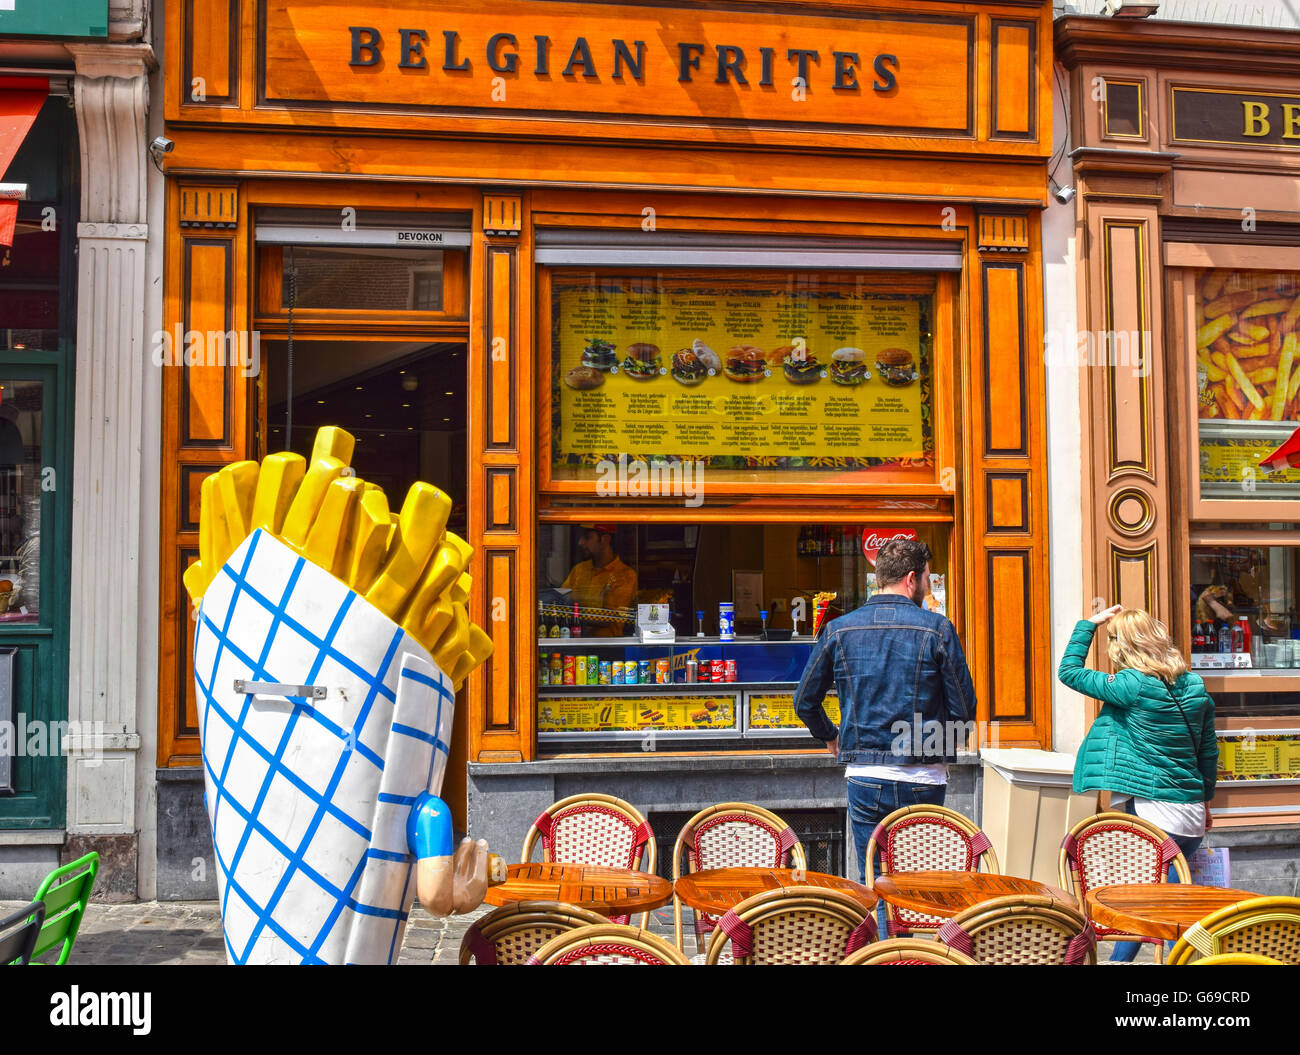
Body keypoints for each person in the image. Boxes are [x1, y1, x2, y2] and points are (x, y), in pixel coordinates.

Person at [793, 538, 977, 887]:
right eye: (925, 577)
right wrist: (942, 745)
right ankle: (913, 944)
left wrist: (831, 735)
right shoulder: (937, 628)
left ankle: (885, 943)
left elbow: (805, 701)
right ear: (912, 579)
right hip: (924, 776)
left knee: (876, 879)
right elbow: (964, 708)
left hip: (866, 774)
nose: (926, 585)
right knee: (919, 884)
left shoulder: (839, 628)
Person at [1057, 604, 1218, 962]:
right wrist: (1205, 803)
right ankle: (1120, 962)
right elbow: (1208, 752)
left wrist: (1088, 624)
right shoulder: (1194, 685)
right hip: (1190, 818)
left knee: (1160, 910)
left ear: (1121, 646)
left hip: (1156, 813)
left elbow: (1069, 672)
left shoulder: (1132, 684)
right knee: (1152, 900)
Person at [561, 523, 638, 636]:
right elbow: (562, 601)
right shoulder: (579, 570)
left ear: (605, 539)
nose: (580, 542)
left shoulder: (625, 575)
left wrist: (573, 613)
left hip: (607, 646)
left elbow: (608, 618)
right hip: (575, 641)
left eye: (587, 537)